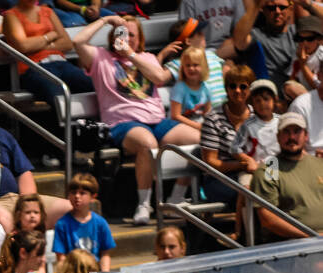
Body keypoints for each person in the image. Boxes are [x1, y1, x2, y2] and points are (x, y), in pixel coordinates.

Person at [75, 15, 197, 226]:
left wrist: (130, 54)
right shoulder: (100, 57)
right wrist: (105, 20)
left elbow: (159, 78)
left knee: (196, 138)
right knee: (147, 143)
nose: (127, 38)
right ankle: (144, 204)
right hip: (123, 123)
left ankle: (176, 197)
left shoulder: (147, 58)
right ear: (113, 36)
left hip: (157, 121)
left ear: (139, 38)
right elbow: (77, 42)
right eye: (122, 33)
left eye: (132, 34)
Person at [1, 0, 94, 117]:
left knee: (93, 85)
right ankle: (68, 133)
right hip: (34, 67)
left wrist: (40, 44)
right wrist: (50, 36)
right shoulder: (11, 15)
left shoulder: (47, 11)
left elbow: (67, 44)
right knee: (59, 96)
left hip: (61, 63)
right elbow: (23, 46)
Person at [220, 0, 323, 95]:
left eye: (282, 7)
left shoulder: (301, 32)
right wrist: (255, 7)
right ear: (263, 10)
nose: (277, 11)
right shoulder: (257, 35)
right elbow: (239, 41)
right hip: (269, 100)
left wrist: (306, 3)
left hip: (305, 95)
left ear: (291, 9)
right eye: (271, 8)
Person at [250, 111, 323, 238]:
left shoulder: (319, 164)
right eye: (286, 132)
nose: (292, 137)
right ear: (278, 137)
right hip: (295, 248)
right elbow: (268, 220)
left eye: (297, 131)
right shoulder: (269, 170)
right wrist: (313, 237)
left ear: (306, 135)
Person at [202, 64, 257, 206]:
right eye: (232, 86)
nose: (237, 91)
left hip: (254, 172)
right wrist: (241, 165)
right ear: (226, 89)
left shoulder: (257, 115)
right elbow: (211, 162)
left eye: (243, 86)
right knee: (252, 191)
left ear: (251, 89)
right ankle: (244, 229)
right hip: (220, 178)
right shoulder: (213, 118)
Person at [53, 172, 115, 271]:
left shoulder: (100, 223)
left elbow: (105, 254)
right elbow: (61, 258)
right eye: (73, 192)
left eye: (82, 193)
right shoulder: (62, 224)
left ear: (93, 197)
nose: (77, 196)